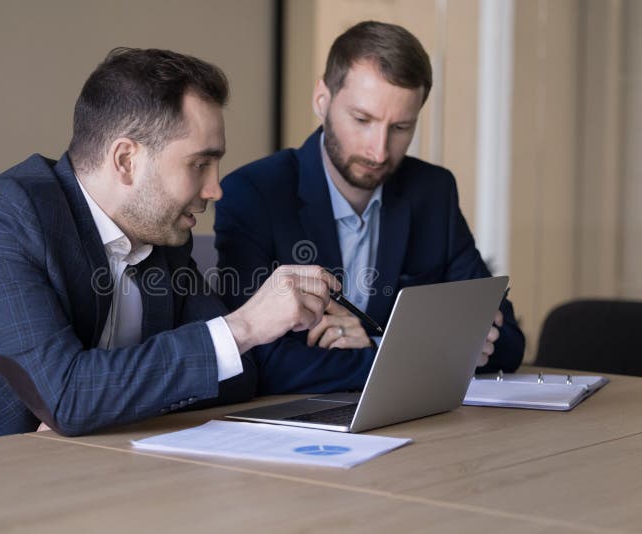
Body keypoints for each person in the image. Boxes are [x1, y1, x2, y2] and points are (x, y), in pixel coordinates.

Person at [0, 48, 340, 458]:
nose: (216, 189)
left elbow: (235, 378)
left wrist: (100, 400)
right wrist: (246, 325)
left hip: (54, 475)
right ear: (127, 160)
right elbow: (69, 397)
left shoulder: (165, 235)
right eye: (200, 164)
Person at [215, 21, 525, 394]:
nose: (379, 151)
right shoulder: (253, 194)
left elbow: (507, 341)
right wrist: (429, 352)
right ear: (322, 100)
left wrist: (373, 347)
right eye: (362, 120)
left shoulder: (432, 192)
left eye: (400, 128)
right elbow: (263, 363)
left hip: (415, 425)